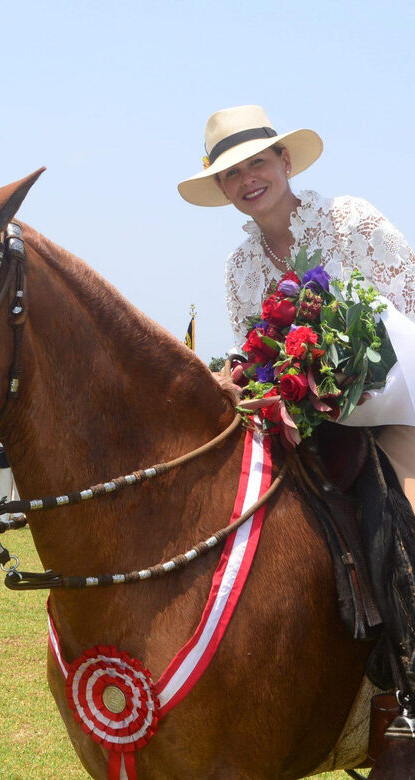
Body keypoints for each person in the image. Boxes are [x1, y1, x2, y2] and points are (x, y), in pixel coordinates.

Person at [178, 104, 415, 721]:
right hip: (309, 428)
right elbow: (256, 354)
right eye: (232, 173)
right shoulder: (241, 269)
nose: (248, 179)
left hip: (402, 411)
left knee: (405, 518)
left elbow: (412, 301)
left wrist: (362, 369)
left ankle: (407, 692)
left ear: (284, 161)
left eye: (257, 162)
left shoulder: (351, 221)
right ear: (223, 189)